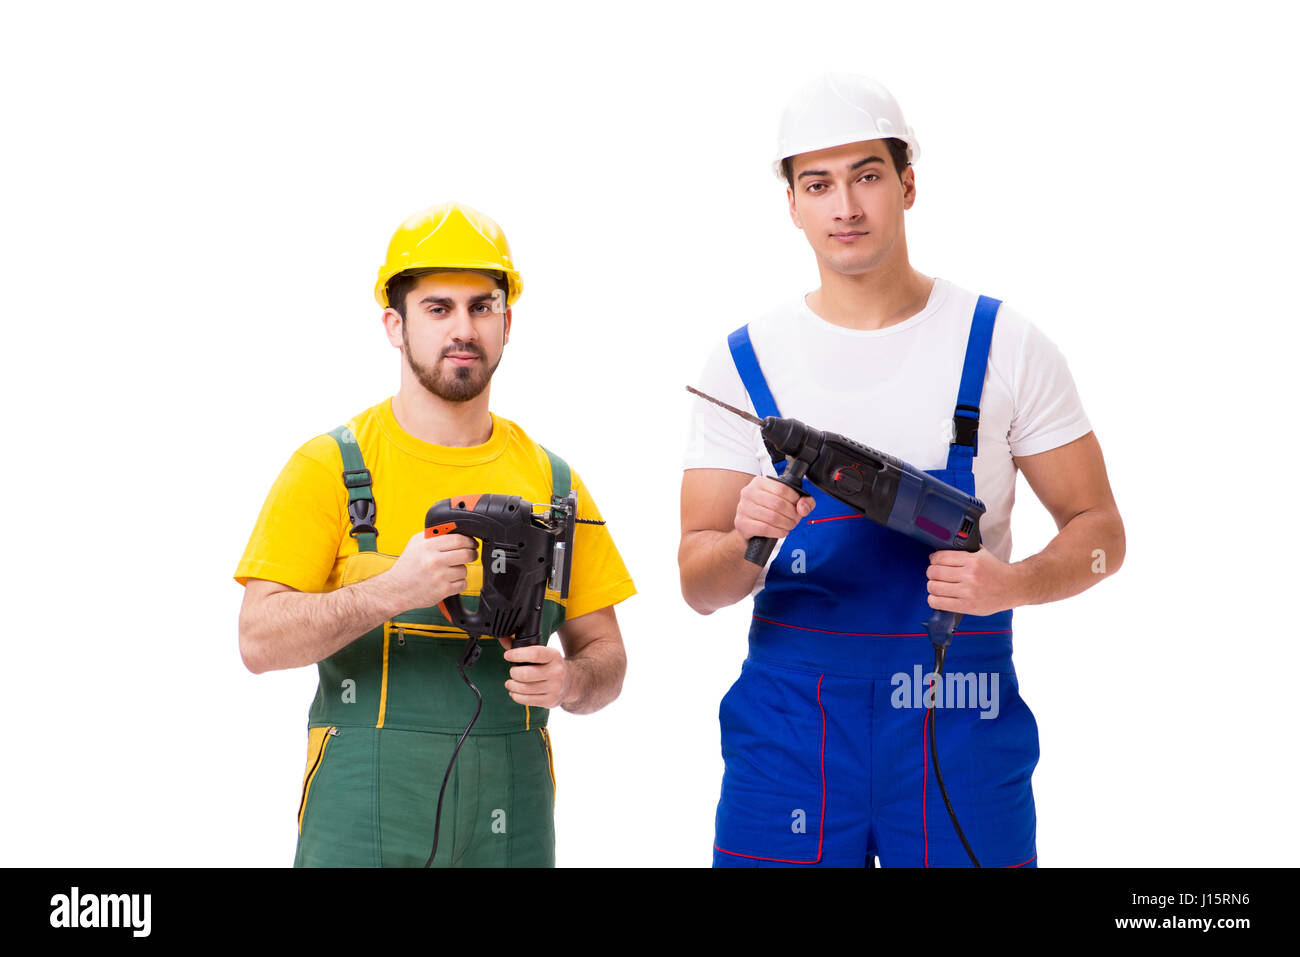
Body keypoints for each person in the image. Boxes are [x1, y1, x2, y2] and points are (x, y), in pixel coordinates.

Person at [679, 74, 1124, 867]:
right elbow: (697, 585)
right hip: (793, 728)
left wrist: (1010, 583)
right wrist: (749, 539)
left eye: (867, 176)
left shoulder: (1005, 346)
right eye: (818, 184)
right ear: (792, 203)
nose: (844, 206)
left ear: (908, 183)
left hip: (960, 712)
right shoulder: (743, 363)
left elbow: (1102, 537)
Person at [235, 201, 635, 867]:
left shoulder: (557, 485)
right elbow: (257, 640)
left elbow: (607, 656)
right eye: (439, 308)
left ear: (507, 322)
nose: (464, 328)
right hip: (362, 812)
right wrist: (389, 590)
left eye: (483, 306)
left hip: (513, 809)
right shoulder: (330, 467)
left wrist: (569, 681)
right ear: (395, 324)